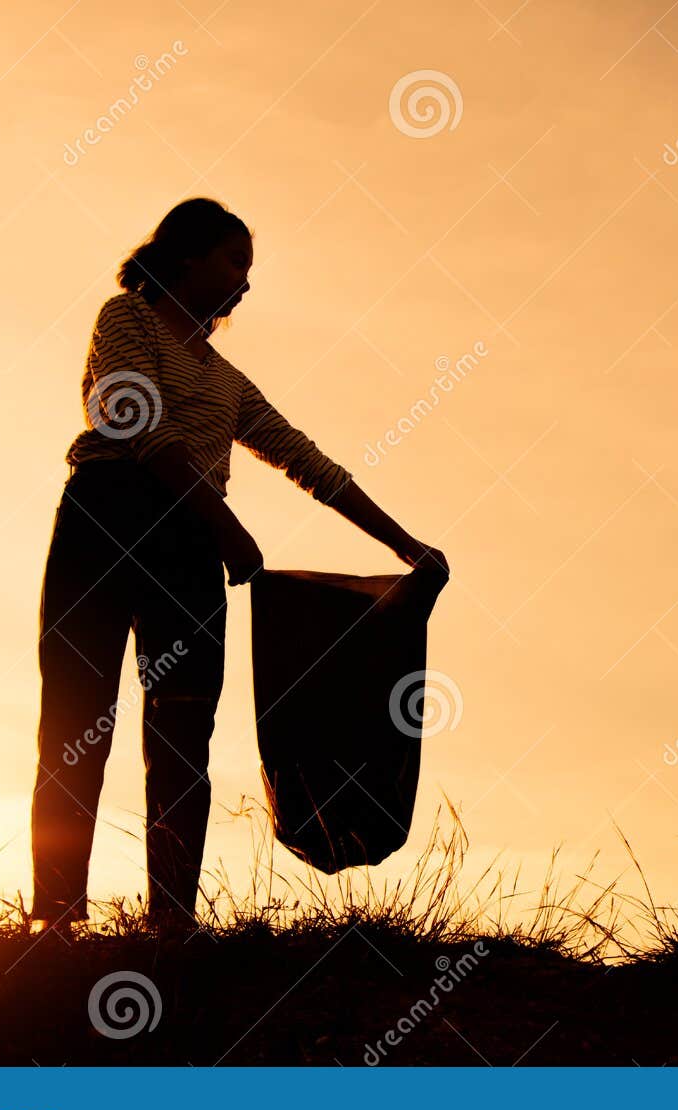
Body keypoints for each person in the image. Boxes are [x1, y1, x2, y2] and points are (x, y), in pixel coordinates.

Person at [28, 197, 448, 937]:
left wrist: (405, 545)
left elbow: (306, 460)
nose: (245, 284)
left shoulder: (230, 383)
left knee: (184, 730)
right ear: (186, 255)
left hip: (187, 552)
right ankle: (56, 920)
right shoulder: (125, 318)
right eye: (235, 261)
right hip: (105, 517)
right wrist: (227, 526)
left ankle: (172, 925)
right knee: (76, 717)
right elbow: (134, 422)